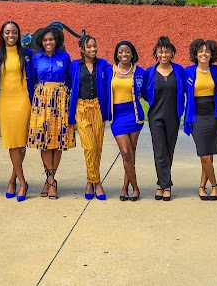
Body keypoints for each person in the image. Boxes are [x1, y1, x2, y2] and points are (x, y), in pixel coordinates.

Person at [28, 25, 73, 200]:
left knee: (58, 140)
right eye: (45, 40)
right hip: (42, 101)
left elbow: (69, 79)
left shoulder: (65, 57)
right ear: (41, 41)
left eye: (51, 39)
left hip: (60, 100)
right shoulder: (36, 58)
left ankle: (49, 180)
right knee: (44, 142)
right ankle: (51, 180)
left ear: (57, 40)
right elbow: (32, 80)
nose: (48, 42)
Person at [0, 21, 32, 202]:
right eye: (7, 32)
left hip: (23, 100)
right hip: (5, 101)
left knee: (20, 142)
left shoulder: (27, 54)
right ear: (1, 34)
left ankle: (15, 180)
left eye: (14, 32)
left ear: (19, 34)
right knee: (12, 142)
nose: (10, 35)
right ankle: (21, 180)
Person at [68, 34, 112, 201]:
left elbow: (113, 78)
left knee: (98, 147)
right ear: (82, 49)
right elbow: (68, 83)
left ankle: (89, 180)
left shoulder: (103, 65)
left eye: (95, 46)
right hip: (81, 108)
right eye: (89, 46)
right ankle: (97, 182)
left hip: (98, 108)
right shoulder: (74, 66)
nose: (93, 49)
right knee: (89, 147)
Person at [142, 36, 185, 202]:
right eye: (161, 51)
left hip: (173, 115)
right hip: (156, 116)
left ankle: (161, 183)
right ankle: (165, 186)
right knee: (159, 151)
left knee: (169, 149)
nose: (164, 54)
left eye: (167, 51)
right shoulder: (150, 72)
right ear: (156, 53)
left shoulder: (179, 70)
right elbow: (144, 91)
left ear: (172, 52)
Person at [183, 39, 217, 201]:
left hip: (212, 114)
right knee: (204, 155)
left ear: (211, 54)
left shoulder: (215, 70)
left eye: (207, 51)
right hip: (196, 115)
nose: (204, 54)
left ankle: (202, 186)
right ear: (195, 54)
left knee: (209, 154)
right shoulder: (188, 71)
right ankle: (214, 185)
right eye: (200, 51)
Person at [109, 40, 146, 201]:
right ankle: (136, 187)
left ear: (132, 54)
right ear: (116, 54)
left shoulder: (140, 72)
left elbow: (148, 91)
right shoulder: (109, 70)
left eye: (127, 51)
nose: (124, 54)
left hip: (134, 115)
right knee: (125, 152)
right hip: (117, 116)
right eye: (120, 52)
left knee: (130, 154)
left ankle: (125, 188)